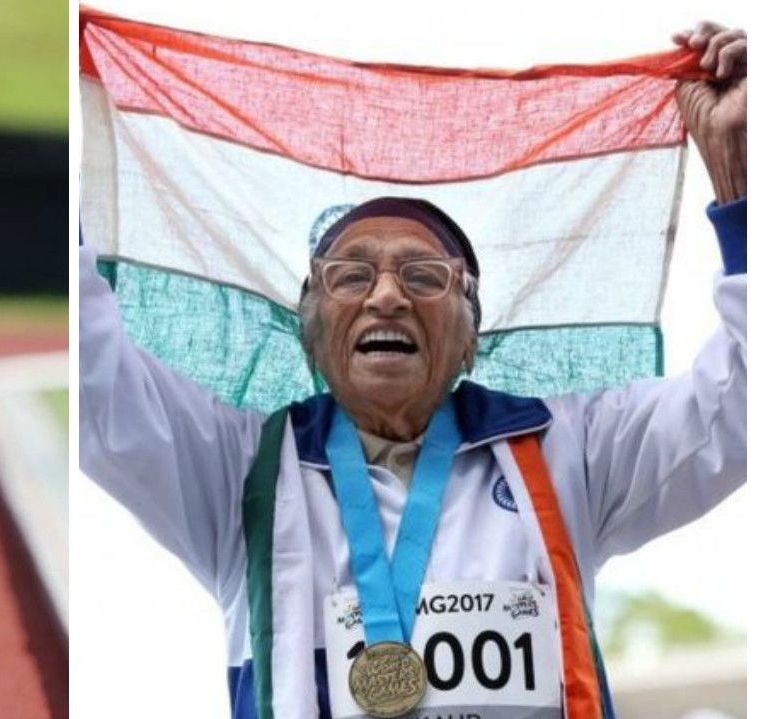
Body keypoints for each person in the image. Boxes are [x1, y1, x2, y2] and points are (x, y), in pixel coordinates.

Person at [79, 22, 744, 719]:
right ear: (311, 330)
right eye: (352, 275)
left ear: (469, 336)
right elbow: (97, 372)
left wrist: (738, 185)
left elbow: (736, 408)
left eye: (425, 276)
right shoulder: (240, 470)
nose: (388, 295)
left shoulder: (567, 448)